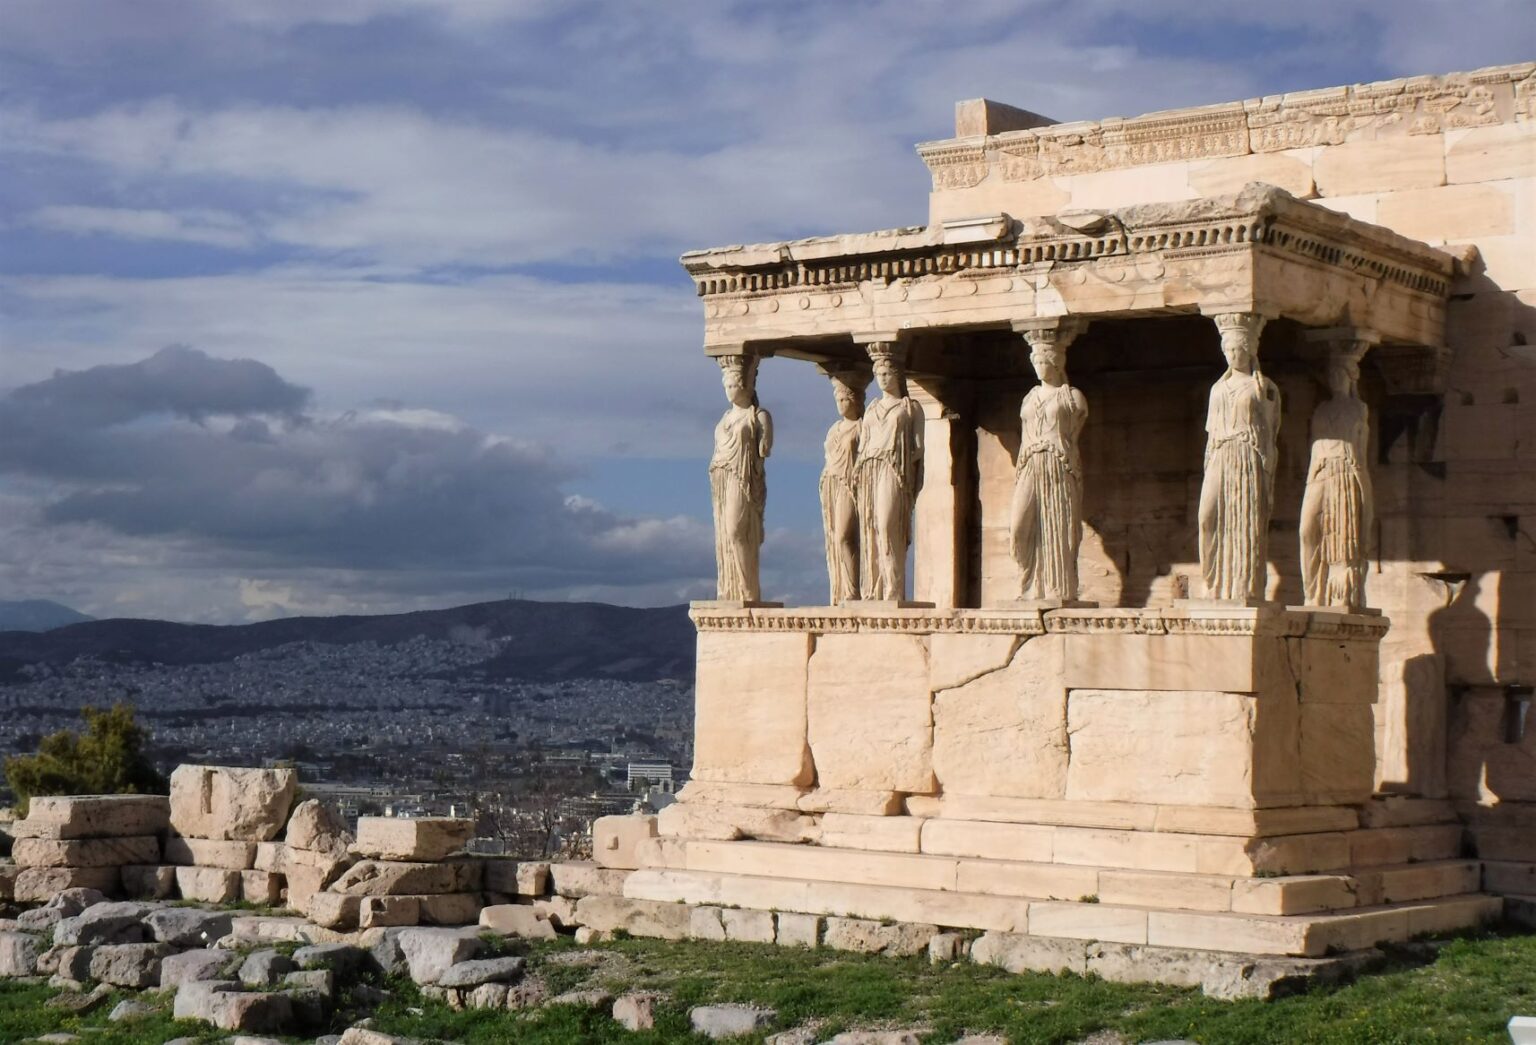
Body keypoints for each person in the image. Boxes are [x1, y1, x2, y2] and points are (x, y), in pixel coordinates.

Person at [1198, 314, 1281, 601]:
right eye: (1229, 350)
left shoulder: (1263, 388)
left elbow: (1271, 431)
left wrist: (1267, 469)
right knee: (1207, 517)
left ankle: (1243, 587)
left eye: (1239, 349)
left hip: (1247, 455)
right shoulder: (1217, 388)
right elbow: (1211, 433)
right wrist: (1210, 462)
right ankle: (1212, 583)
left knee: (1245, 521)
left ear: (1250, 350)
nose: (1234, 355)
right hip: (1220, 454)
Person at [1010, 342, 1089, 601]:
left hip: (1058, 465)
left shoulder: (1073, 397)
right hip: (1029, 464)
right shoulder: (1029, 396)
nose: (1038, 366)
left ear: (1056, 363)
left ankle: (1056, 589)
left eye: (1043, 361)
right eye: (1035, 361)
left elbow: (1074, 438)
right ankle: (1028, 583)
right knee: (1019, 526)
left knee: (1059, 526)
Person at [1300, 352, 1372, 610]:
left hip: (1344, 472)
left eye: (1339, 373)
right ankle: (1312, 591)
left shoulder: (1358, 409)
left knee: (1341, 534)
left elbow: (1360, 450)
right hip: (1319, 472)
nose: (1334, 379)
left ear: (1351, 377)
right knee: (1307, 530)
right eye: (1331, 374)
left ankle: (1341, 594)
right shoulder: (1322, 409)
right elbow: (1314, 445)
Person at [856, 345, 924, 601]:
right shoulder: (872, 408)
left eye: (887, 373)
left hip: (894, 470)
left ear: (898, 375)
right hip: (869, 469)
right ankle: (874, 591)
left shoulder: (910, 408)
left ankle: (894, 590)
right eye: (879, 374)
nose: (883, 378)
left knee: (887, 525)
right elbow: (863, 444)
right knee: (871, 528)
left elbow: (918, 448)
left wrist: (897, 457)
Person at [708, 355, 772, 601]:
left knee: (736, 530)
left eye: (734, 384)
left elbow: (764, 449)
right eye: (727, 385)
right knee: (725, 534)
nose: (730, 390)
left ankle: (749, 590)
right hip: (721, 476)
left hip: (743, 478)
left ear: (747, 384)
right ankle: (732, 590)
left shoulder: (759, 416)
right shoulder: (724, 418)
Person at [819, 371, 865, 603]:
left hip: (852, 486)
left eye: (845, 399)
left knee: (845, 536)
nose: (841, 404)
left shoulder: (862, 427)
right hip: (832, 484)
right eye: (838, 400)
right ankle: (845, 589)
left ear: (855, 400)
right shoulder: (834, 429)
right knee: (837, 537)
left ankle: (854, 590)